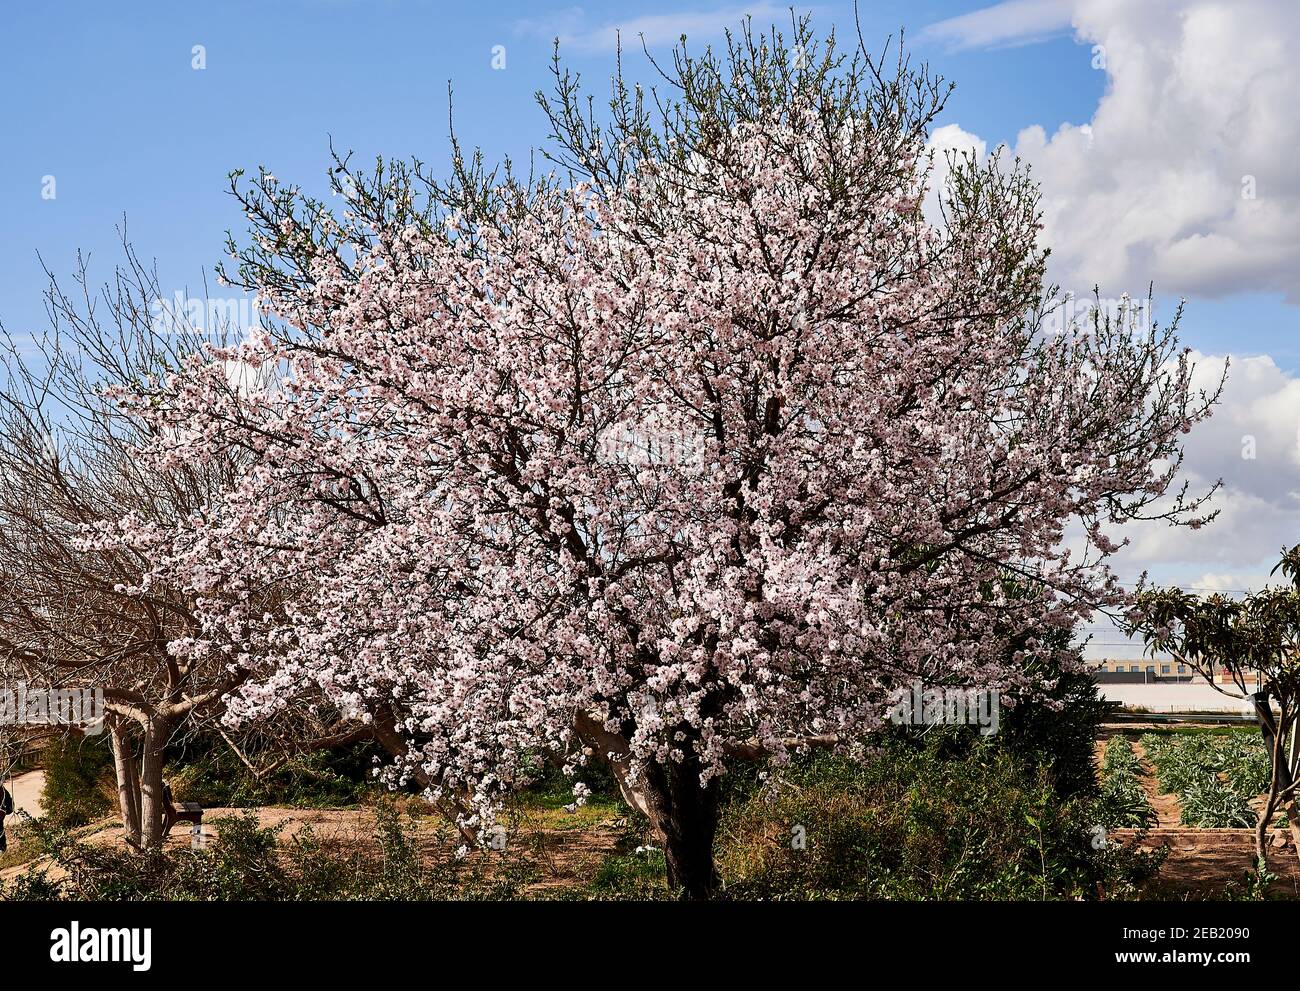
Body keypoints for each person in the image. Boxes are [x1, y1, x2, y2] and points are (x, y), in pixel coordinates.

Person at [0, 783, 13, 853]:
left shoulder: (2, 791)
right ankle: (2, 848)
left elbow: (10, 807)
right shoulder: (3, 790)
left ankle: (2, 849)